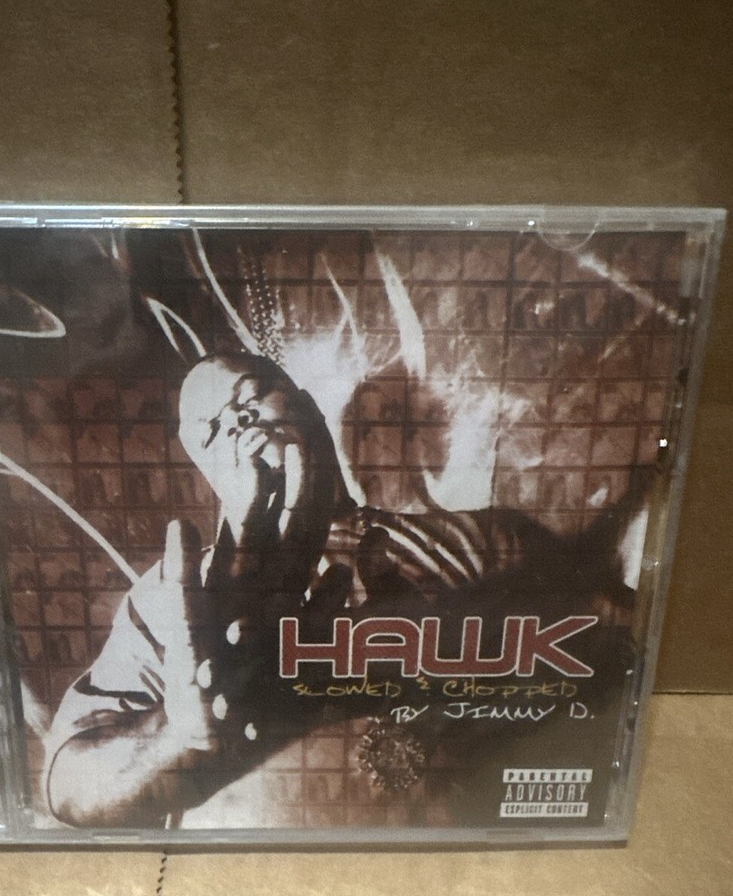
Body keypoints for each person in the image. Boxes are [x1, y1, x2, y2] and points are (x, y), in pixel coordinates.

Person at [42, 352, 636, 830]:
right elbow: (70, 786)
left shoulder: (478, 540)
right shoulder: (176, 601)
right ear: (207, 470)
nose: (238, 422)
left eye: (249, 395)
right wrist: (175, 735)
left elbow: (611, 662)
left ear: (309, 411)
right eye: (214, 429)